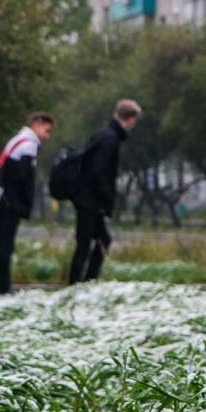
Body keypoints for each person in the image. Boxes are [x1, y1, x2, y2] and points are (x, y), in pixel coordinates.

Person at [70, 99, 141, 284]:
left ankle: (85, 281)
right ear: (131, 119)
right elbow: (98, 172)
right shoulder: (110, 139)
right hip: (91, 202)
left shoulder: (102, 135)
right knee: (86, 245)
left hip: (88, 200)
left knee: (98, 241)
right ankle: (80, 282)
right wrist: (107, 198)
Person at [0, 112, 54, 295]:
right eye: (46, 130)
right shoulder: (28, 145)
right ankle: (3, 287)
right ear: (37, 123)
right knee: (5, 245)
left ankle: (0, 285)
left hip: (1, 200)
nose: (46, 136)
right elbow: (23, 177)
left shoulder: (16, 140)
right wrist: (26, 204)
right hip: (11, 204)